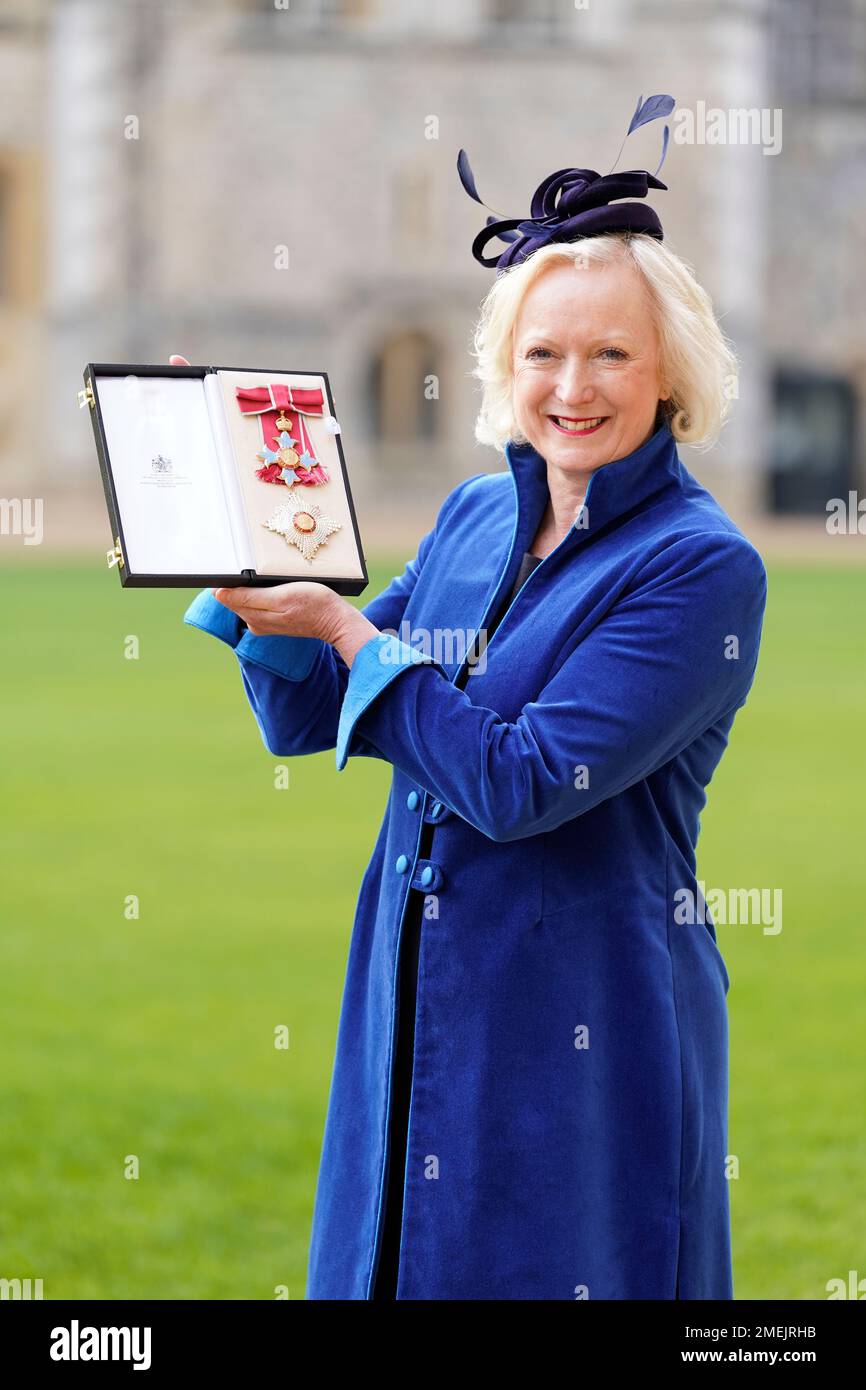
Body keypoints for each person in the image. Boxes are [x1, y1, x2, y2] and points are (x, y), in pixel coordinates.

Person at [181, 103, 768, 1299]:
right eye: (543, 352)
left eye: (610, 353)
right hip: (412, 994)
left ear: (670, 375)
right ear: (505, 364)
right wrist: (255, 584)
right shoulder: (472, 515)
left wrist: (346, 628)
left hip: (578, 1022)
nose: (572, 385)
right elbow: (309, 712)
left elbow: (521, 780)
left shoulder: (697, 564)